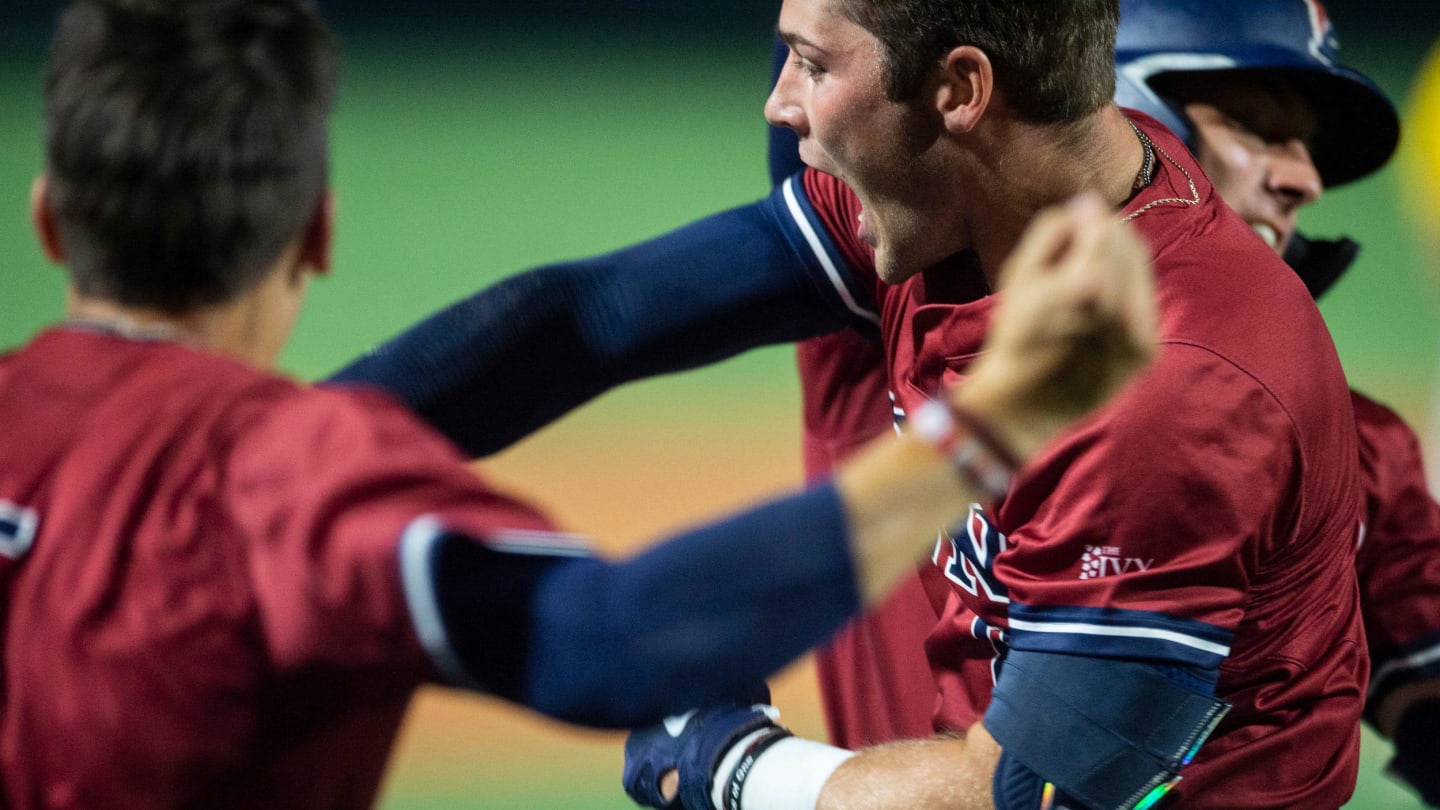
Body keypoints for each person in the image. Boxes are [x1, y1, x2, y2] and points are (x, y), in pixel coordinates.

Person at [0, 0, 1159, 807]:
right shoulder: (297, 491)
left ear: (49, 217)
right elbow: (612, 643)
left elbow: (586, 321)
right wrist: (985, 433)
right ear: (318, 231)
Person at [334, 0, 1368, 805]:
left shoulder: (1174, 390)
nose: (780, 106)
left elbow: (1031, 795)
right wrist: (268, 447)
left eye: (816, 63)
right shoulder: (977, 189)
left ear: (962, 88)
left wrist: (737, 771)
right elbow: (591, 319)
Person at [771, 3, 1440, 806]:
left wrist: (739, 766)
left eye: (1304, 146)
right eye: (1253, 123)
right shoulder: (890, 289)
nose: (1306, 176)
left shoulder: (1321, 435)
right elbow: (853, 65)